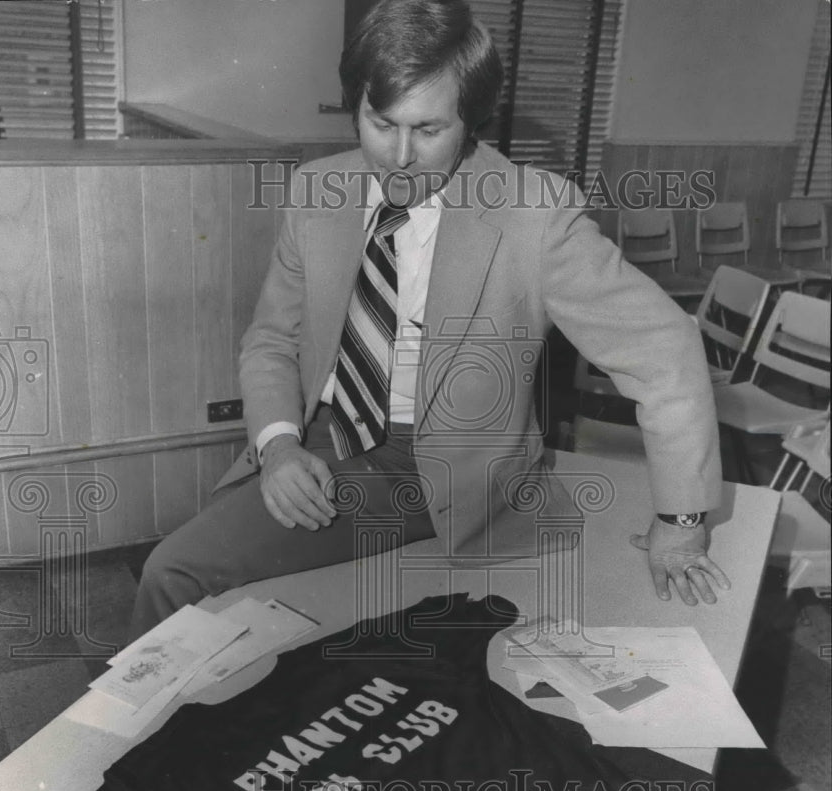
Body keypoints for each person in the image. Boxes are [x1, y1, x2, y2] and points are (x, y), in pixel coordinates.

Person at [131, 0, 729, 637]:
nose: (399, 156)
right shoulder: (316, 191)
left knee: (177, 572)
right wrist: (278, 446)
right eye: (380, 123)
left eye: (427, 129)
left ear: (470, 122)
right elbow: (273, 341)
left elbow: (666, 352)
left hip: (436, 470)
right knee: (189, 580)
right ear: (356, 106)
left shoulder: (537, 216)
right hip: (322, 435)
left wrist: (681, 521)